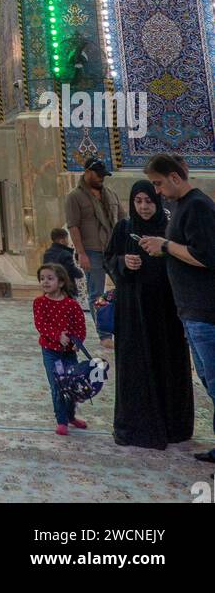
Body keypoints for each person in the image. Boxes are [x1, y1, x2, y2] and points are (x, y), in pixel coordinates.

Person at [103, 179, 193, 450]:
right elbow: (110, 258)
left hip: (166, 310)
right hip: (133, 311)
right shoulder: (124, 228)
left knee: (166, 360)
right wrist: (123, 263)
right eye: (138, 201)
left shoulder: (169, 229)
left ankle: (171, 423)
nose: (143, 207)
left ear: (159, 202)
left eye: (149, 201)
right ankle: (138, 423)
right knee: (137, 363)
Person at [142, 153, 215, 464]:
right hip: (192, 311)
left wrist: (166, 246)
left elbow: (207, 256)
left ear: (174, 177)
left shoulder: (198, 206)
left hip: (206, 313)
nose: (157, 191)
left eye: (158, 183)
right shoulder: (183, 206)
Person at [64, 156, 122, 343]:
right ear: (87, 172)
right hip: (92, 250)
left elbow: (121, 219)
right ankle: (104, 334)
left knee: (125, 288)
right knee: (96, 292)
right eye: (97, 175)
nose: (101, 178)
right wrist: (81, 253)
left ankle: (124, 328)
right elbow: (74, 226)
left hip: (112, 250)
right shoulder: (75, 197)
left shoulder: (110, 194)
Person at [33, 263, 88, 436]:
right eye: (42, 279)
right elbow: (41, 325)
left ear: (62, 282)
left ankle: (71, 416)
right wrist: (58, 336)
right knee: (58, 384)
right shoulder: (40, 303)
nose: (45, 282)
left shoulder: (72, 305)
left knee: (72, 384)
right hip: (51, 352)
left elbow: (81, 327)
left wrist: (75, 342)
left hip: (69, 352)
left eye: (50, 278)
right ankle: (61, 420)